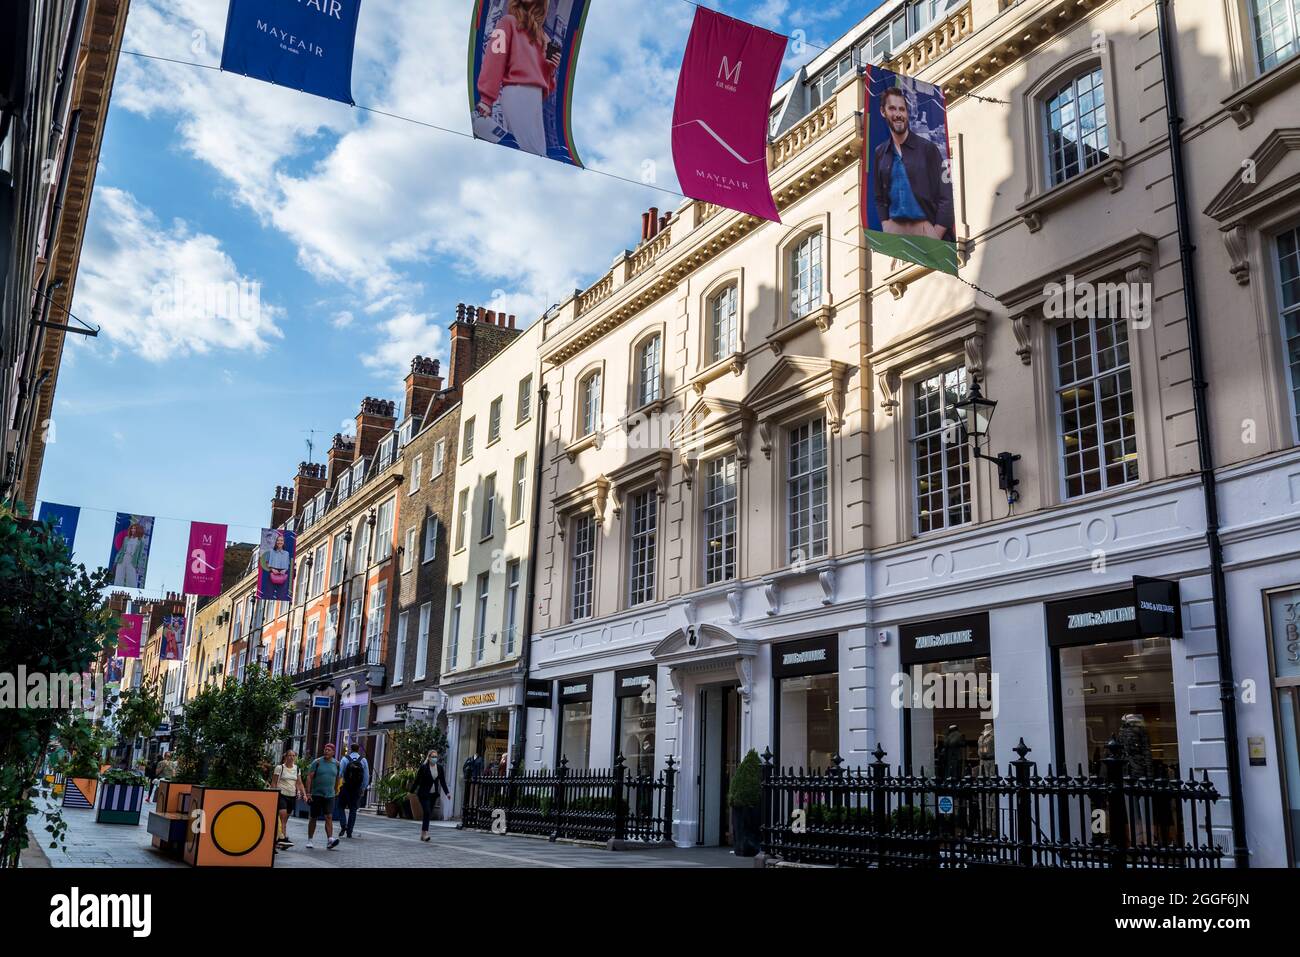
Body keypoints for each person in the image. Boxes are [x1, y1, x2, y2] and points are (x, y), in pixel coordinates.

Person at [475, 0, 562, 157]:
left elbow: (548, 87)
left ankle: (502, 139)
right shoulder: (507, 22)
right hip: (517, 91)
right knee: (535, 151)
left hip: (534, 99)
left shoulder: (545, 38)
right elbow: (495, 56)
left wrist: (550, 69)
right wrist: (486, 99)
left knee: (536, 151)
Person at [872, 85, 955, 242]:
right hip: (895, 230)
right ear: (883, 112)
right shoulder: (880, 153)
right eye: (892, 109)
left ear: (907, 113)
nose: (898, 114)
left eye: (902, 109)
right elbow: (879, 197)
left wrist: (936, 234)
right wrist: (885, 224)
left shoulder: (928, 149)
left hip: (925, 228)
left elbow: (946, 195)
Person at [304, 743, 341, 850]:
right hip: (316, 794)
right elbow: (309, 777)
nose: (326, 751)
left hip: (330, 795)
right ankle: (310, 840)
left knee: (329, 817)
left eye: (329, 750)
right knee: (313, 817)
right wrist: (308, 793)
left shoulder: (337, 764)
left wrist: (336, 790)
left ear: (333, 752)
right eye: (325, 749)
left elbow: (337, 777)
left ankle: (330, 840)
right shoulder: (317, 762)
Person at [412, 749, 451, 842]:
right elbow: (417, 780)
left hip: (433, 794)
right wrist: (411, 791)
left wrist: (447, 793)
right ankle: (425, 833)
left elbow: (442, 782)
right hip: (423, 794)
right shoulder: (424, 767)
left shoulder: (440, 768)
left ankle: (422, 833)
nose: (434, 758)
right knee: (427, 811)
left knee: (427, 814)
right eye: (433, 757)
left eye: (436, 757)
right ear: (429, 758)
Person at [271, 750, 307, 849]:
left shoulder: (297, 768)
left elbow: (299, 783)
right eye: (289, 755)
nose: (291, 757)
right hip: (281, 794)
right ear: (285, 757)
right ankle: (283, 839)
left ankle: (279, 840)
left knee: (284, 820)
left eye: (293, 756)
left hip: (291, 796)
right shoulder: (280, 768)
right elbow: (273, 782)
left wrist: (304, 794)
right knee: (282, 816)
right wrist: (274, 794)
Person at [337, 744, 370, 839]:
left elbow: (340, 773)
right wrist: (363, 788)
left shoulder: (345, 759)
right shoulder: (363, 760)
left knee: (340, 806)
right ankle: (349, 832)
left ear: (350, 749)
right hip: (356, 788)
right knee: (353, 809)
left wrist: (337, 786)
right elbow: (366, 776)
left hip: (346, 787)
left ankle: (344, 825)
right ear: (358, 749)